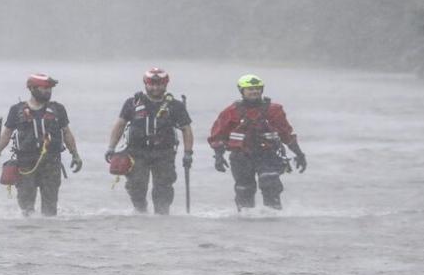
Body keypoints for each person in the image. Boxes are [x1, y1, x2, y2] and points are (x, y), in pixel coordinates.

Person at [0, 73, 83, 216]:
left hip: (51, 163)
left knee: (50, 210)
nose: (48, 91)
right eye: (44, 88)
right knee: (26, 209)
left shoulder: (58, 109)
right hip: (25, 164)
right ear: (32, 88)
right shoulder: (17, 110)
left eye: (50, 88)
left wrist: (75, 154)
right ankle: (29, 229)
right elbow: (7, 134)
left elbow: (67, 133)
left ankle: (47, 229)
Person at [207, 74, 306, 210]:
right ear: (242, 91)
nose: (255, 91)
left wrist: (299, 154)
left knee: (270, 183)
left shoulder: (274, 110)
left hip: (268, 154)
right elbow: (217, 136)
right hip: (241, 156)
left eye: (258, 88)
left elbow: (286, 134)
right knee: (244, 189)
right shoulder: (230, 112)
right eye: (250, 89)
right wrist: (218, 156)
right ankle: (246, 218)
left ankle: (273, 216)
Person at [105, 67, 193, 214]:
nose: (155, 88)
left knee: (163, 189)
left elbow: (186, 129)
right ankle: (141, 213)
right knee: (136, 187)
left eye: (159, 84)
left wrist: (188, 153)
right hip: (136, 153)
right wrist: (111, 148)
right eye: (152, 84)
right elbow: (119, 125)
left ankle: (162, 217)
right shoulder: (132, 103)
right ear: (145, 84)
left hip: (164, 154)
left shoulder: (175, 106)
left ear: (166, 84)